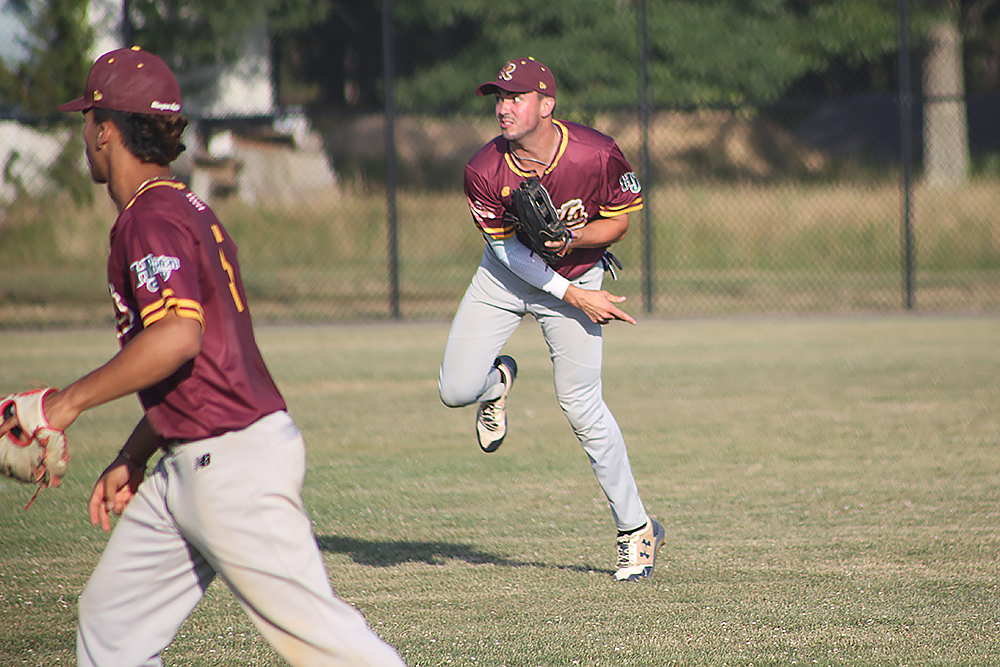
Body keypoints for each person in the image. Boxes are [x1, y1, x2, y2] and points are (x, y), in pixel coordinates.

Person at [0, 46, 406, 666]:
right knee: (112, 626)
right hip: (191, 462)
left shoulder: (151, 220)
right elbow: (192, 360)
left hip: (235, 464)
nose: (84, 134)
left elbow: (176, 339)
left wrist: (64, 404)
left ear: (106, 130)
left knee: (327, 647)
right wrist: (134, 454)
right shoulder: (183, 207)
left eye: (87, 120)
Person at [438, 57, 664, 582]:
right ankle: (496, 383)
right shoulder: (484, 169)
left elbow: (621, 222)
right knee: (455, 389)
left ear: (546, 104)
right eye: (499, 98)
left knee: (581, 405)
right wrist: (569, 292)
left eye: (515, 97)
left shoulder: (596, 152)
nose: (503, 107)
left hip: (579, 274)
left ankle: (636, 529)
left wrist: (571, 245)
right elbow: (503, 251)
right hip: (507, 276)